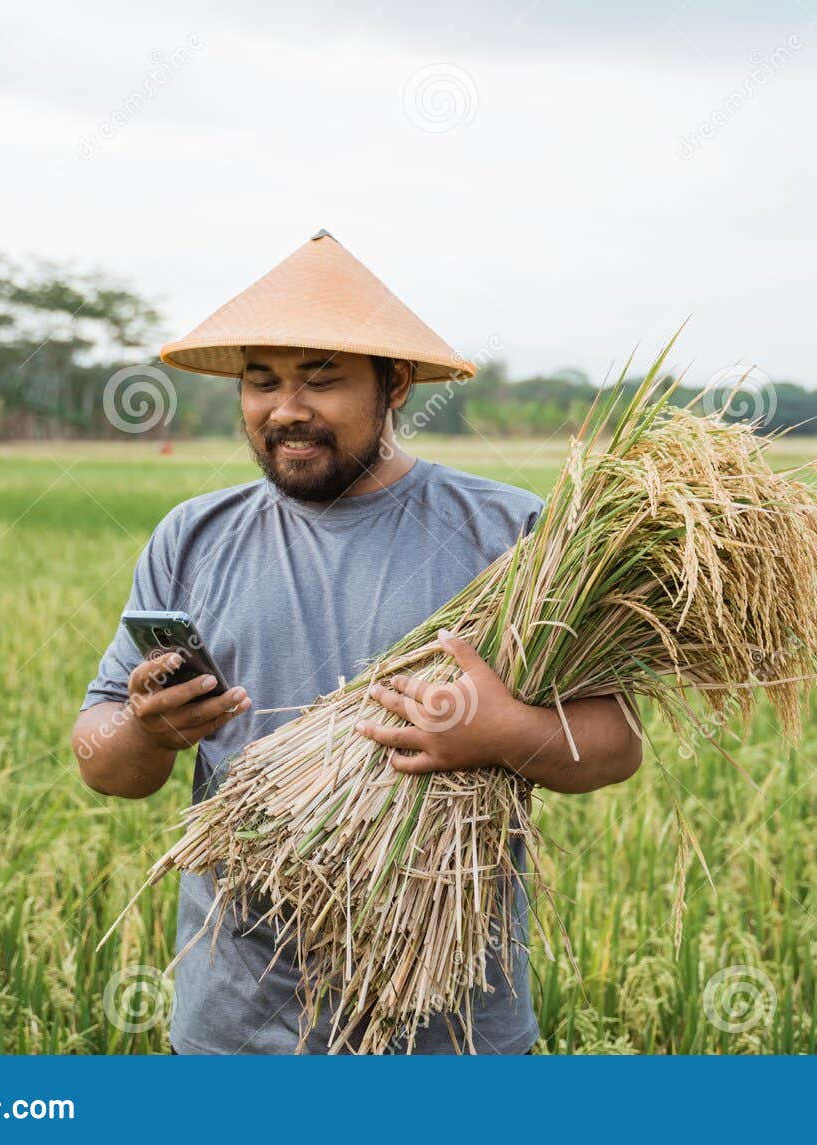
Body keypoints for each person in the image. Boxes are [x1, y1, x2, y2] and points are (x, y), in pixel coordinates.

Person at [71, 230, 641, 1054]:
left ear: (396, 384)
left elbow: (615, 744)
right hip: (234, 1029)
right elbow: (100, 759)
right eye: (261, 382)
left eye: (322, 380)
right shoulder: (193, 537)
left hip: (453, 1030)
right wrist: (146, 730)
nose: (286, 408)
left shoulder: (510, 535)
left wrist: (502, 734)